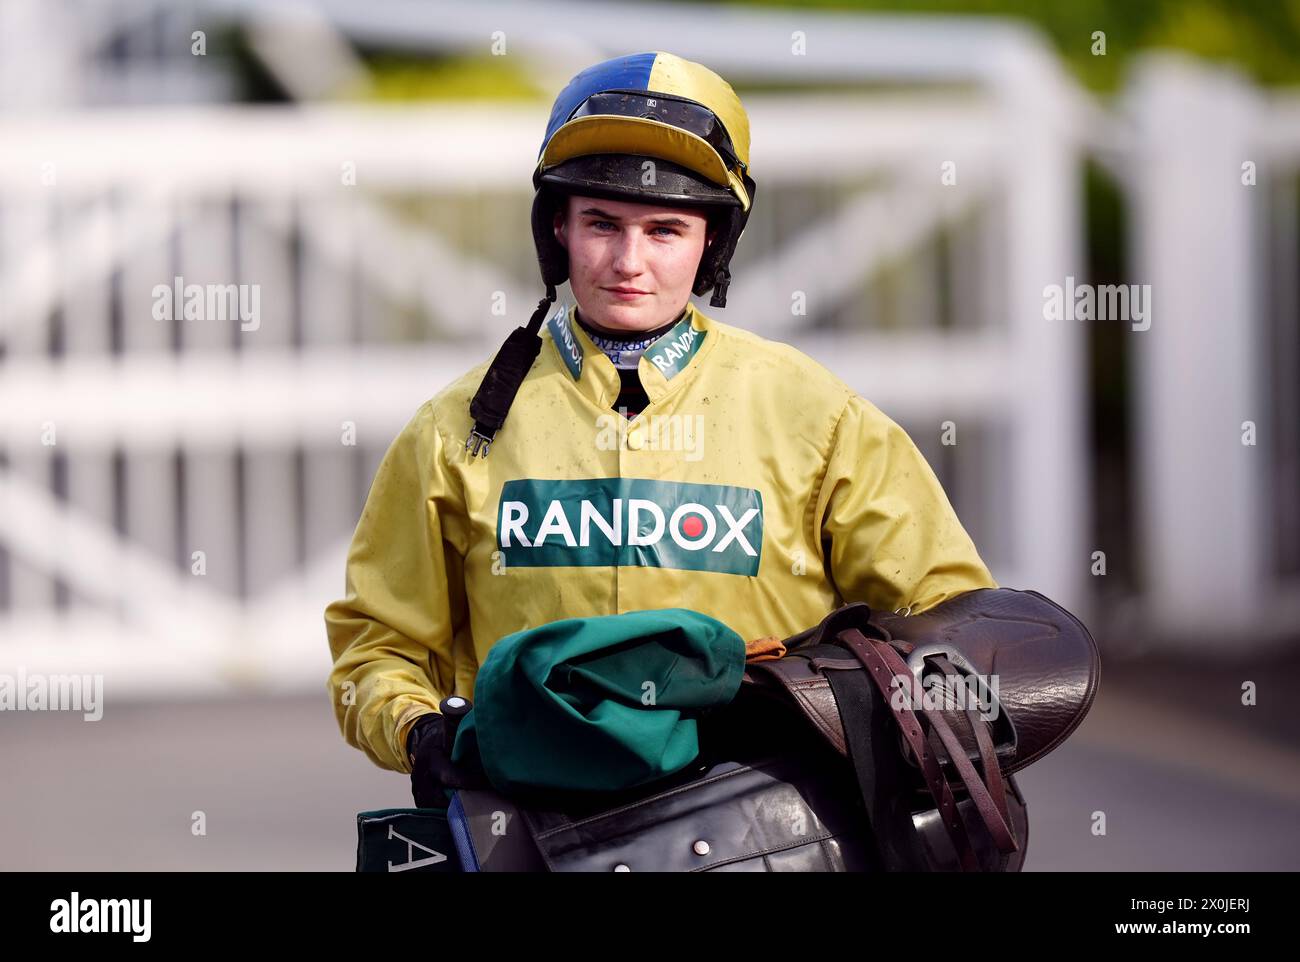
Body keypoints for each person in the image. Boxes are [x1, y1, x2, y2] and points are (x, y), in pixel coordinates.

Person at [324, 51, 998, 807]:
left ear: (713, 240)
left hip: (770, 835)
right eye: (602, 224)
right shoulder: (454, 428)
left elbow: (948, 624)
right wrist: (421, 733)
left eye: (665, 230)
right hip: (536, 831)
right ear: (558, 229)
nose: (628, 261)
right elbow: (375, 647)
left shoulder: (820, 416)